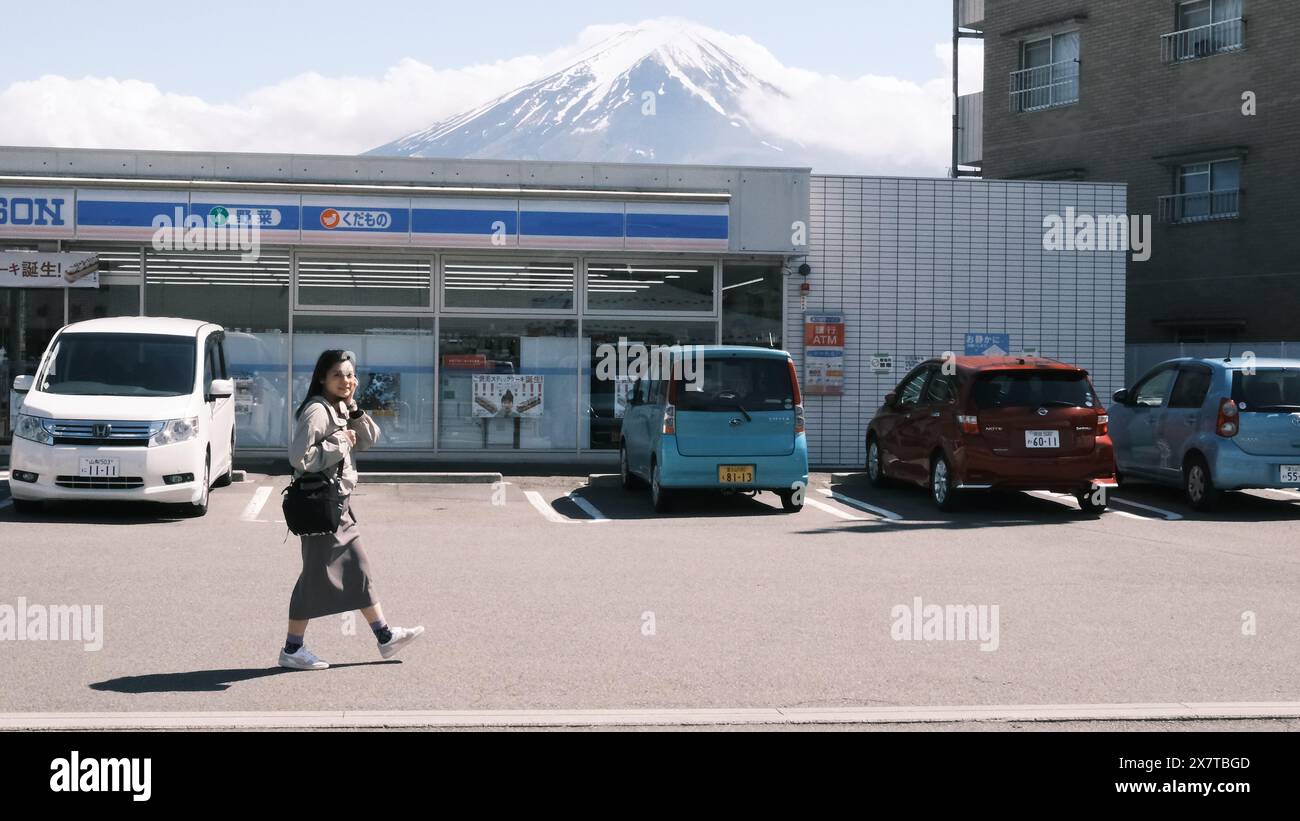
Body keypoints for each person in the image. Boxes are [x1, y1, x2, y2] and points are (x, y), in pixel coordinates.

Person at [279, 349, 424, 670]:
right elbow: (298, 458)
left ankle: (385, 636)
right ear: (322, 378)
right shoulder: (317, 411)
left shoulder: (341, 407)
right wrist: (340, 441)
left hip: (339, 505)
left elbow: (370, 439)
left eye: (350, 375)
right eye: (338, 375)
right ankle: (292, 649)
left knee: (359, 569)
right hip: (321, 507)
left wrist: (355, 413)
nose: (347, 381)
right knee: (314, 579)